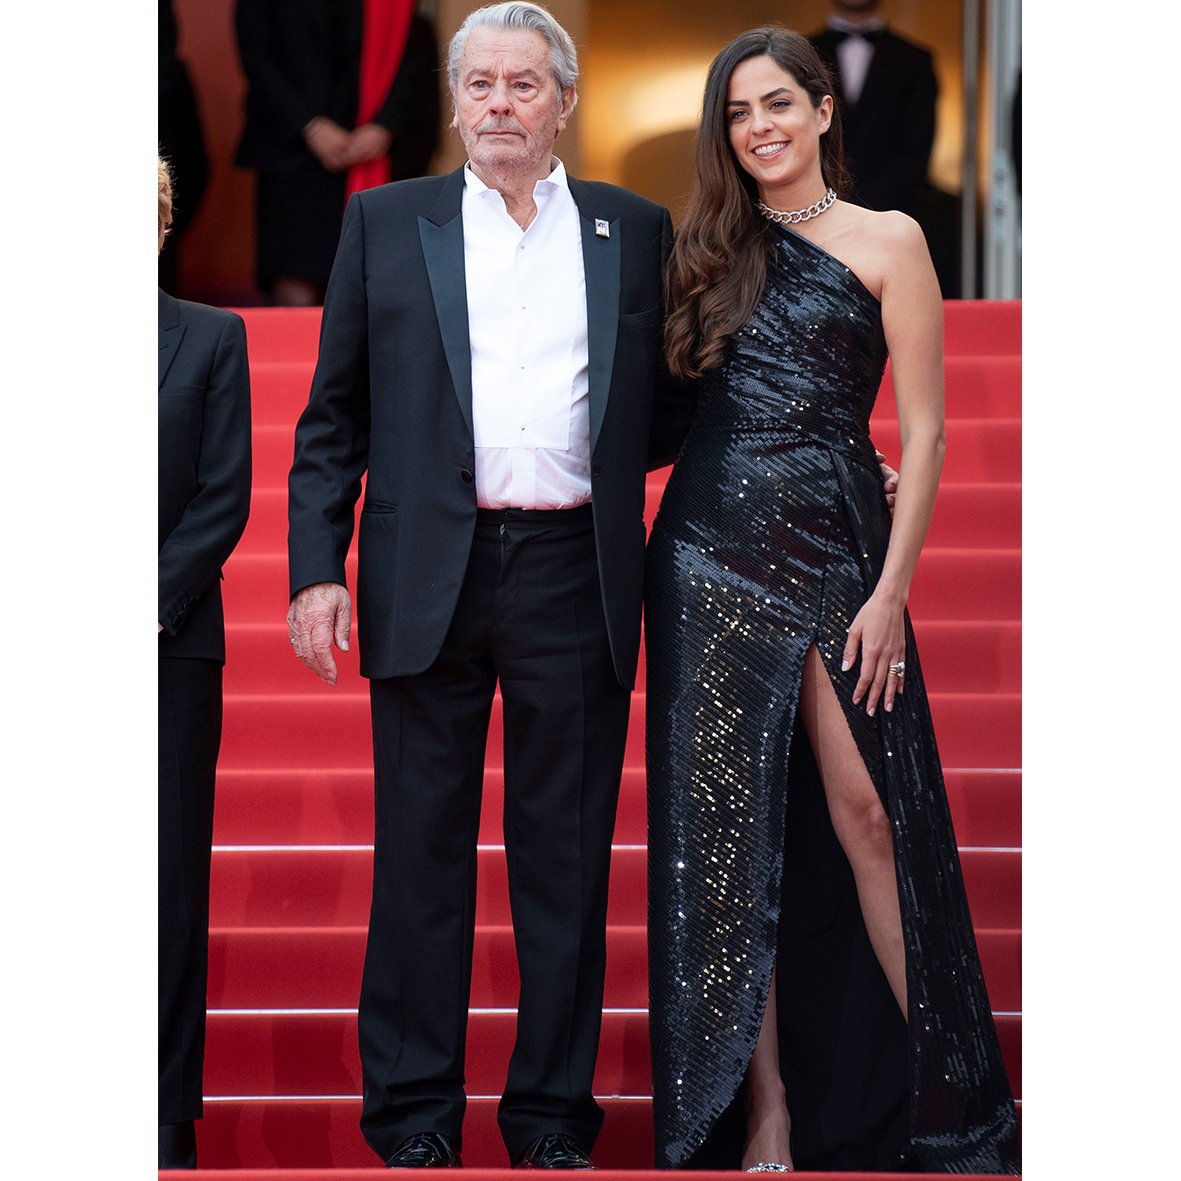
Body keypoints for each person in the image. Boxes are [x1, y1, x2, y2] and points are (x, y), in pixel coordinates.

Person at [285, 3, 686, 1168]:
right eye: (480, 85)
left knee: (564, 863)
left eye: (523, 84)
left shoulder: (632, 229)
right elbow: (332, 417)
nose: (500, 104)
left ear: (563, 100)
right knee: (419, 859)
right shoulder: (383, 221)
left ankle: (550, 1120)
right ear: (455, 103)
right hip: (428, 571)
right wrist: (315, 569)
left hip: (572, 571)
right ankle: (413, 1116)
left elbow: (674, 402)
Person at [645, 27, 1019, 1174]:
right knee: (728, 838)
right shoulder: (705, 246)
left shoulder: (890, 237)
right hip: (706, 555)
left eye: (775, 104)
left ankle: (956, 1101)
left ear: (818, 110)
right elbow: (667, 410)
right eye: (736, 113)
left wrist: (890, 587)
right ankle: (761, 1108)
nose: (756, 127)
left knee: (865, 813)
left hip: (835, 556)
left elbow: (928, 431)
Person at [158, 157, 252, 1169]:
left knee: (165, 885)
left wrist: (143, 604)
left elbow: (223, 491)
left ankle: (160, 1110)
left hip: (170, 644)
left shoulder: (210, 336)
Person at [234, 0, 442, 306]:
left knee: (381, 288)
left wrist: (384, 126)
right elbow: (256, 52)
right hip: (293, 152)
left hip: (379, 152)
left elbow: (416, 53)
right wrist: (308, 125)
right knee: (295, 278)